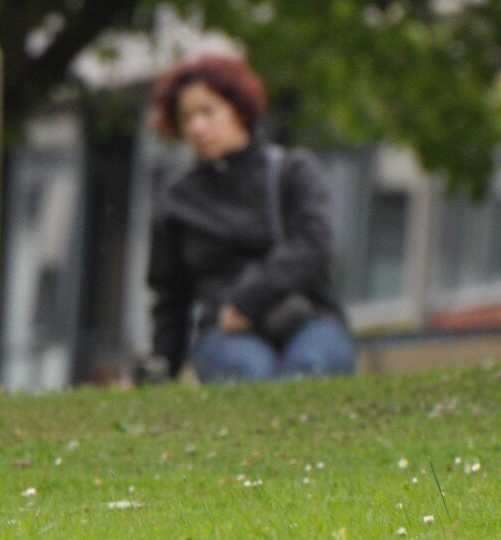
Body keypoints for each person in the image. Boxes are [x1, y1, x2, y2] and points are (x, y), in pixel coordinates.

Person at [142, 53, 355, 383]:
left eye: (207, 111)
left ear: (239, 108)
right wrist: (161, 368)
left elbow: (315, 244)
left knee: (309, 371)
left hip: (307, 317)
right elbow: (171, 297)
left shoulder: (293, 172)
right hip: (224, 334)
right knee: (252, 378)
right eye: (186, 118)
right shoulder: (177, 200)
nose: (197, 127)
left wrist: (248, 299)